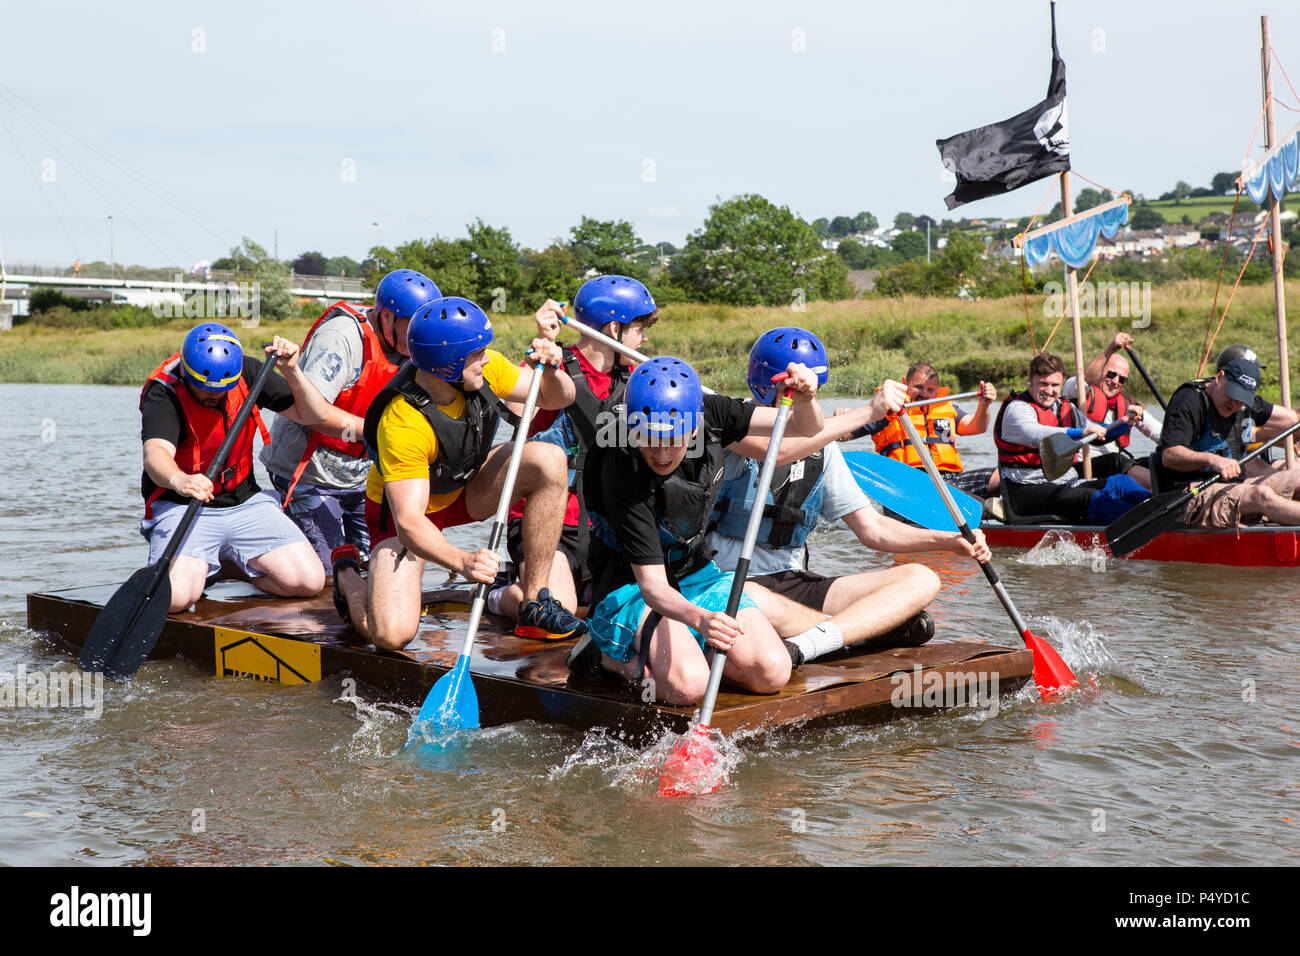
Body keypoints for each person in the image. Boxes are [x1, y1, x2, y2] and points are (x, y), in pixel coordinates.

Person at [706, 329, 992, 667]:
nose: (803, 397)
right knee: (751, 598)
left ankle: (812, 642)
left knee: (921, 578)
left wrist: (947, 540)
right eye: (796, 389)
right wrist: (869, 411)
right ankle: (861, 631)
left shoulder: (823, 451)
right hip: (728, 582)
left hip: (793, 582)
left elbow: (872, 529)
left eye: (811, 389)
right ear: (766, 386)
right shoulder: (728, 423)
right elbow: (778, 451)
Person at [332, 295, 586, 649]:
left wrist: (554, 368)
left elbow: (560, 398)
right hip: (407, 519)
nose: (486, 359)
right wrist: (463, 560)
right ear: (447, 364)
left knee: (550, 459)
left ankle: (534, 601)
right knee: (391, 635)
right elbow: (409, 522)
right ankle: (347, 576)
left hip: (463, 489)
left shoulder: (485, 369)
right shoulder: (402, 422)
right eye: (476, 354)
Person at [566, 356, 823, 705]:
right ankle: (607, 655)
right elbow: (654, 587)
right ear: (632, 427)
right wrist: (700, 619)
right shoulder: (619, 465)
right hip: (631, 584)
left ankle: (684, 648)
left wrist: (807, 399)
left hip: (693, 573)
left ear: (693, 426)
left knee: (771, 673)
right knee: (686, 688)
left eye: (673, 440)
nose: (661, 454)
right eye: (650, 439)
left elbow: (804, 427)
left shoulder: (711, 413)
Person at [491, 276, 657, 624]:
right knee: (557, 611)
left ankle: (579, 584)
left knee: (643, 608)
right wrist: (543, 357)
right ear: (614, 328)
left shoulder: (637, 379)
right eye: (640, 329)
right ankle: (498, 592)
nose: (645, 339)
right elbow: (517, 412)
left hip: (605, 525)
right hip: (548, 522)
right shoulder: (553, 364)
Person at [139, 323, 331, 612]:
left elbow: (314, 415)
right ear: (187, 373)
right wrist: (180, 479)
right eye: (205, 389)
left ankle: (226, 566)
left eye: (222, 390)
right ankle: (195, 568)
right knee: (177, 599)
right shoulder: (164, 392)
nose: (214, 396)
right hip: (183, 504)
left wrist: (292, 370)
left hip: (243, 503)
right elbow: (155, 455)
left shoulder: (251, 372)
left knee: (308, 581)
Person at [261, 269, 440, 574]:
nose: (418, 337)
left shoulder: (411, 347)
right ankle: (260, 522)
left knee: (387, 561)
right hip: (307, 476)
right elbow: (312, 412)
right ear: (386, 317)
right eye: (411, 326)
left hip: (360, 477)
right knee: (329, 573)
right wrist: (380, 432)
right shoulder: (341, 337)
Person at [992, 351, 1149, 524]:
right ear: (1030, 378)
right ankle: (1144, 525)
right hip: (1024, 492)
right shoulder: (1017, 409)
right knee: (1091, 498)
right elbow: (1037, 434)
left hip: (1062, 482)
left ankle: (1158, 510)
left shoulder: (1065, 407)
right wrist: (1080, 433)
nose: (1049, 391)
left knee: (1119, 483)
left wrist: (1126, 422)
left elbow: (1097, 433)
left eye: (1055, 385)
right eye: (1043, 384)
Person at [1154, 351, 1300, 528]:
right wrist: (1213, 460)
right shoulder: (1188, 400)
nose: (1235, 404)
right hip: (1189, 496)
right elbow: (1169, 456)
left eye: (1241, 400)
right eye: (1232, 394)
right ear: (1219, 377)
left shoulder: (1243, 402)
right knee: (1261, 496)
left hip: (1232, 487)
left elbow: (1292, 418)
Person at [843, 362, 1000, 499]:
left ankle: (995, 514)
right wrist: (843, 418)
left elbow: (977, 426)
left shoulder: (946, 409)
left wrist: (984, 405)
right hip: (903, 485)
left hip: (948, 481)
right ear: (905, 383)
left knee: (1000, 476)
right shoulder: (886, 410)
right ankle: (982, 509)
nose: (925, 394)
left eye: (930, 389)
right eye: (918, 387)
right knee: (946, 493)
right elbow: (844, 435)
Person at [1061, 331, 1160, 486]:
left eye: (1122, 379)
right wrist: (1111, 349)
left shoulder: (1128, 404)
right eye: (1111, 374)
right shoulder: (1078, 392)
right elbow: (1084, 379)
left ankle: (1172, 495)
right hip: (1080, 467)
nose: (1115, 381)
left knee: (1155, 462)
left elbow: (1159, 432)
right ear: (1101, 370)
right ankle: (1159, 491)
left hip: (1114, 468)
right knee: (1118, 461)